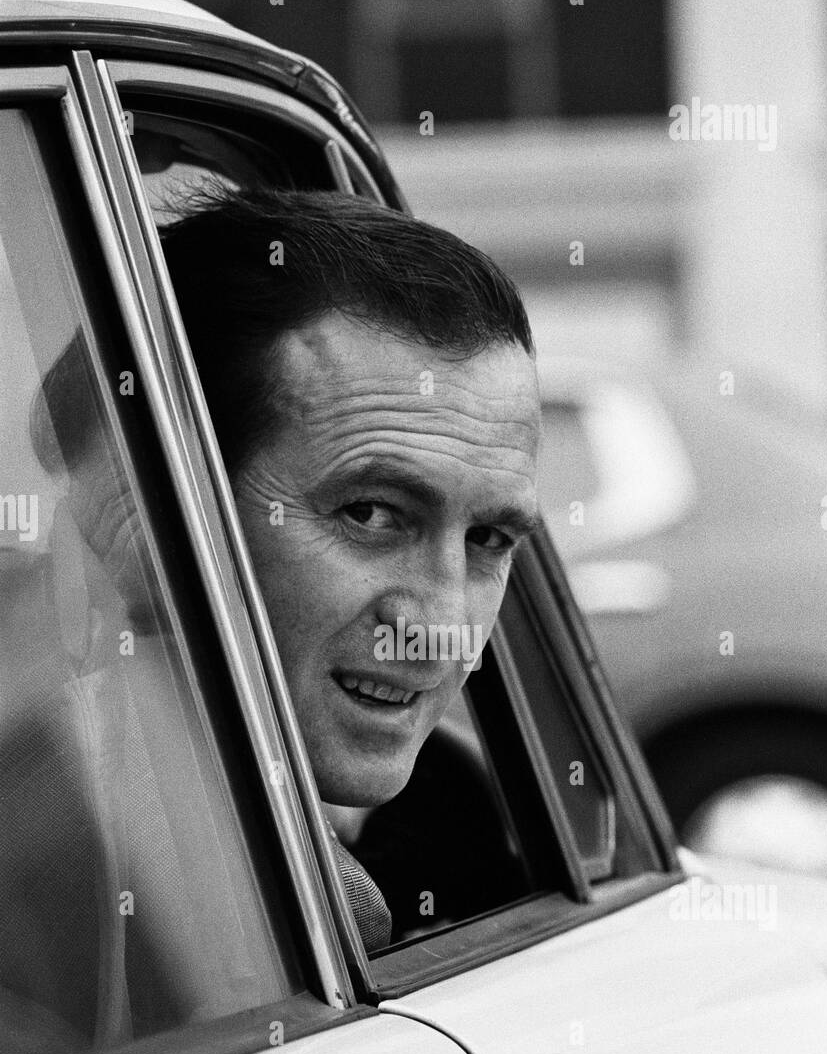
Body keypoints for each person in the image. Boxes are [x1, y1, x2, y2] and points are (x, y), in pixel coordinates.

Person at [160, 187, 541, 947]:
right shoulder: (66, 836)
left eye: (489, 538)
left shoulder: (456, 812)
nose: (439, 630)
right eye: (369, 514)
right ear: (162, 500)